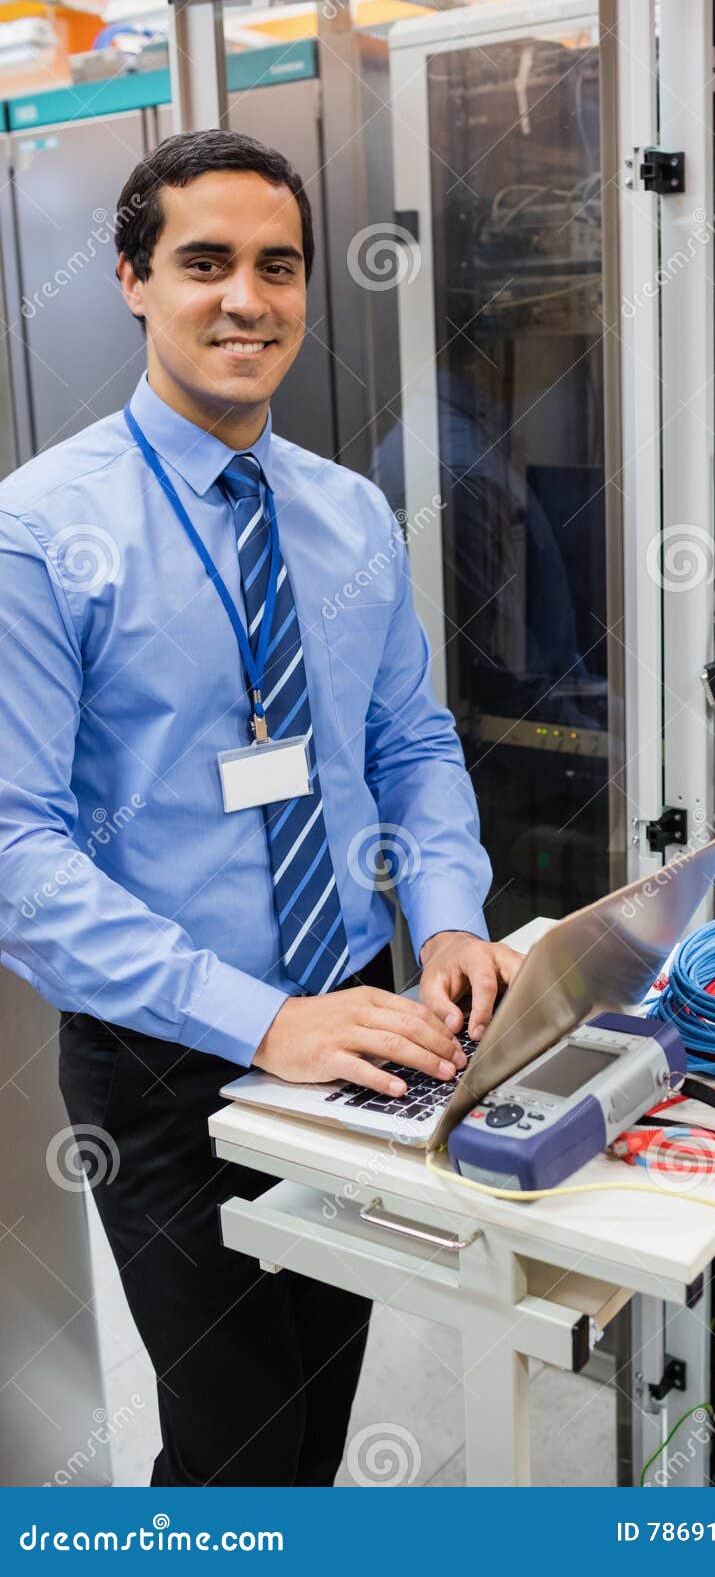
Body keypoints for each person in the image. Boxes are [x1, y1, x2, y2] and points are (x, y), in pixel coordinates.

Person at [0, 129, 522, 1486]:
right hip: (167, 1059)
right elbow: (16, 855)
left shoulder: (349, 513)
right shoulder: (40, 533)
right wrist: (262, 1023)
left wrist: (453, 917)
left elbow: (408, 739)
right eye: (205, 261)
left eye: (278, 266)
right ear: (130, 278)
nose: (248, 297)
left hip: (357, 1014)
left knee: (317, 1417)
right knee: (235, 1437)